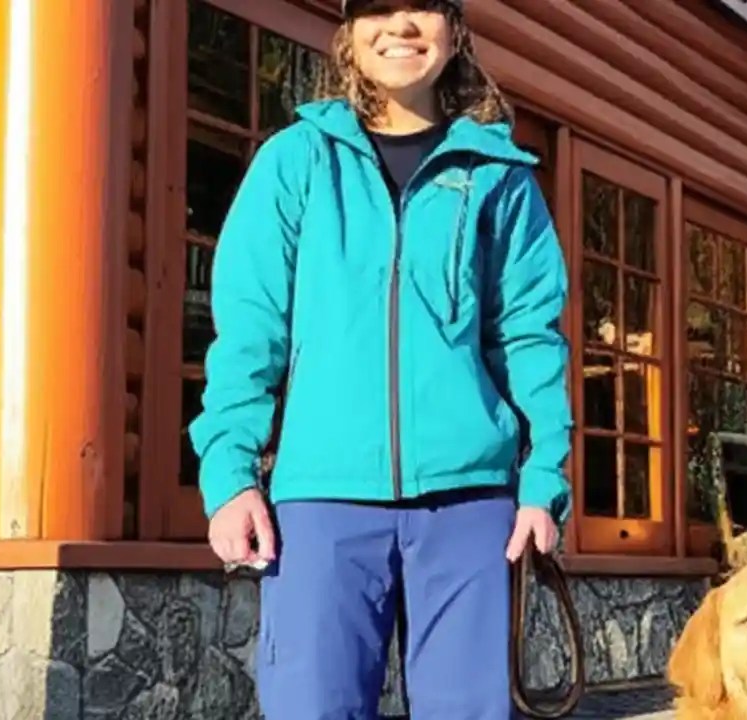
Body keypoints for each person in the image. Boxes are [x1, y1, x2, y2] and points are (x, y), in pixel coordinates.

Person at [188, 0, 571, 716]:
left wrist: (541, 479)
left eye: (419, 7)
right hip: (320, 505)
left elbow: (528, 336)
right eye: (376, 9)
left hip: (469, 508)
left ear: (454, 30)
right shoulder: (294, 163)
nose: (398, 26)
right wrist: (231, 476)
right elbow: (248, 332)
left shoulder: (500, 177)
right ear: (350, 37)